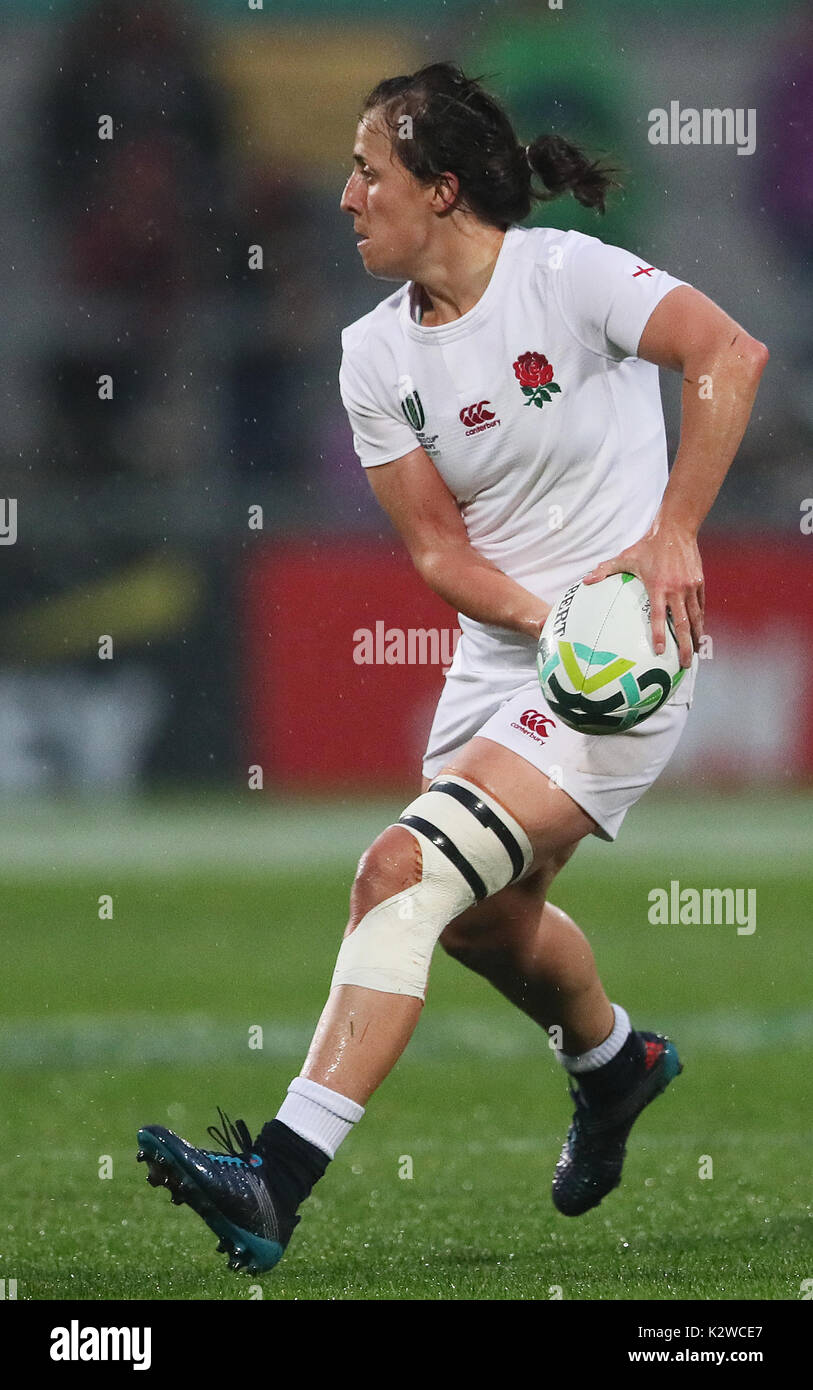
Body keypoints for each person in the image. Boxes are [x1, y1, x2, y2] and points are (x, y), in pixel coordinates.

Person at [137, 63, 769, 1274]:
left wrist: (669, 536)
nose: (346, 196)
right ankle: (614, 1061)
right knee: (483, 921)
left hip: (626, 664)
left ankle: (274, 1176)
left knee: (398, 870)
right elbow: (438, 550)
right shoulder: (373, 357)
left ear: (441, 188)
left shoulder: (567, 275)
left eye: (369, 171)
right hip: (514, 657)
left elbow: (727, 355)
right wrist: (552, 621)